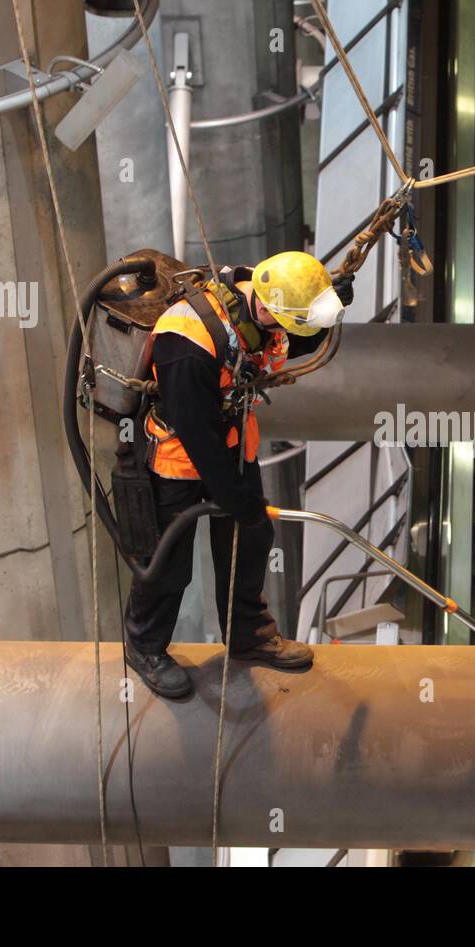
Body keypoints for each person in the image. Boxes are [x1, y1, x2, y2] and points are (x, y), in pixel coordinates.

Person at [123, 252, 353, 699]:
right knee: (168, 562)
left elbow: (290, 341)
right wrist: (234, 494)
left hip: (231, 446)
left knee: (250, 541)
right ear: (268, 309)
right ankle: (145, 645)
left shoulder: (258, 303)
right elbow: (195, 433)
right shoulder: (186, 341)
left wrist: (323, 312)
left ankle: (247, 636)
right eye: (288, 321)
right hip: (179, 460)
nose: (287, 331)